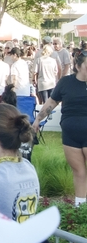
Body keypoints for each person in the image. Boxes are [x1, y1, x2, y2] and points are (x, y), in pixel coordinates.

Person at [38, 52, 87, 205]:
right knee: (78, 171)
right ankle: (81, 207)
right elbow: (52, 102)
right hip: (70, 134)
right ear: (78, 66)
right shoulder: (65, 82)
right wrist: (38, 120)